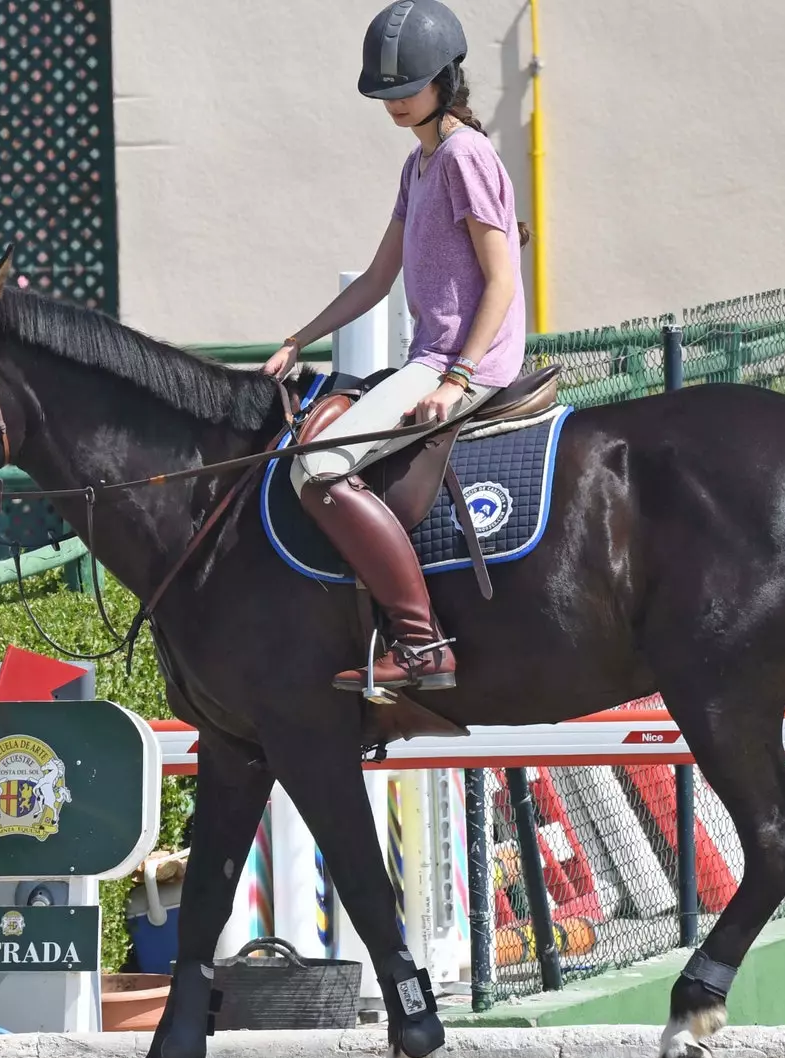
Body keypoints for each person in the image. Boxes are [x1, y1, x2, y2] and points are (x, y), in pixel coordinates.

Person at [264, 0, 527, 694]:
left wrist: (456, 379)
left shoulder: (467, 156)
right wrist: (300, 338)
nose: (395, 105)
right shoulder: (420, 165)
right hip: (430, 358)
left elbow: (502, 279)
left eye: (406, 90)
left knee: (315, 468)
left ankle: (420, 643)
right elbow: (380, 278)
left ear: (445, 79)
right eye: (386, 95)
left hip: (462, 364)